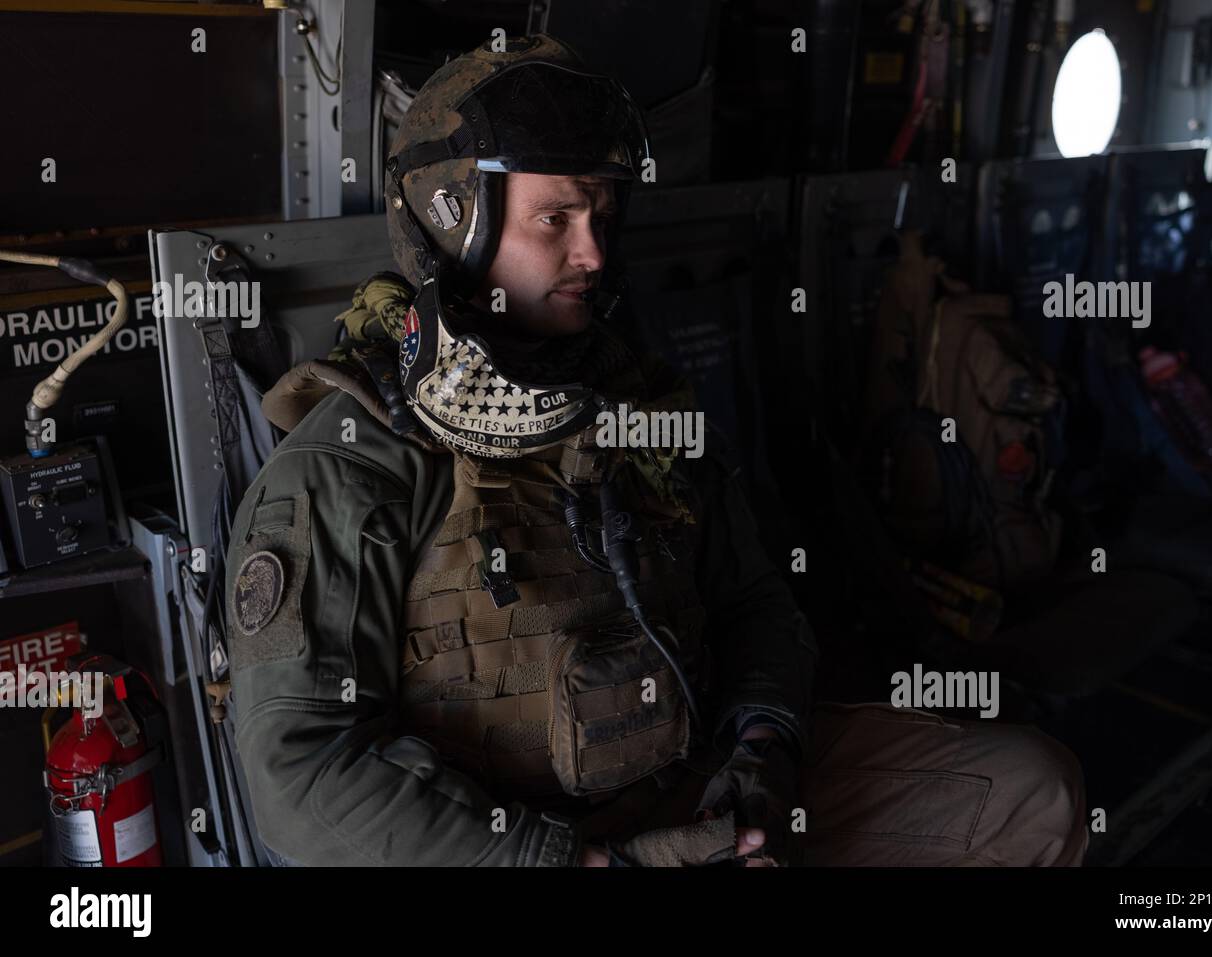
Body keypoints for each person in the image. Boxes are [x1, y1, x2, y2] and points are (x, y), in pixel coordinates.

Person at [224, 33, 1088, 867]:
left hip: (697, 789)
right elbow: (296, 775)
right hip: (520, 843)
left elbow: (755, 602)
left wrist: (761, 752)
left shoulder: (637, 408)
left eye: (600, 211)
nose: (593, 252)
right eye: (555, 217)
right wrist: (568, 858)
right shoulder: (348, 463)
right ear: (454, 223)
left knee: (1036, 796)